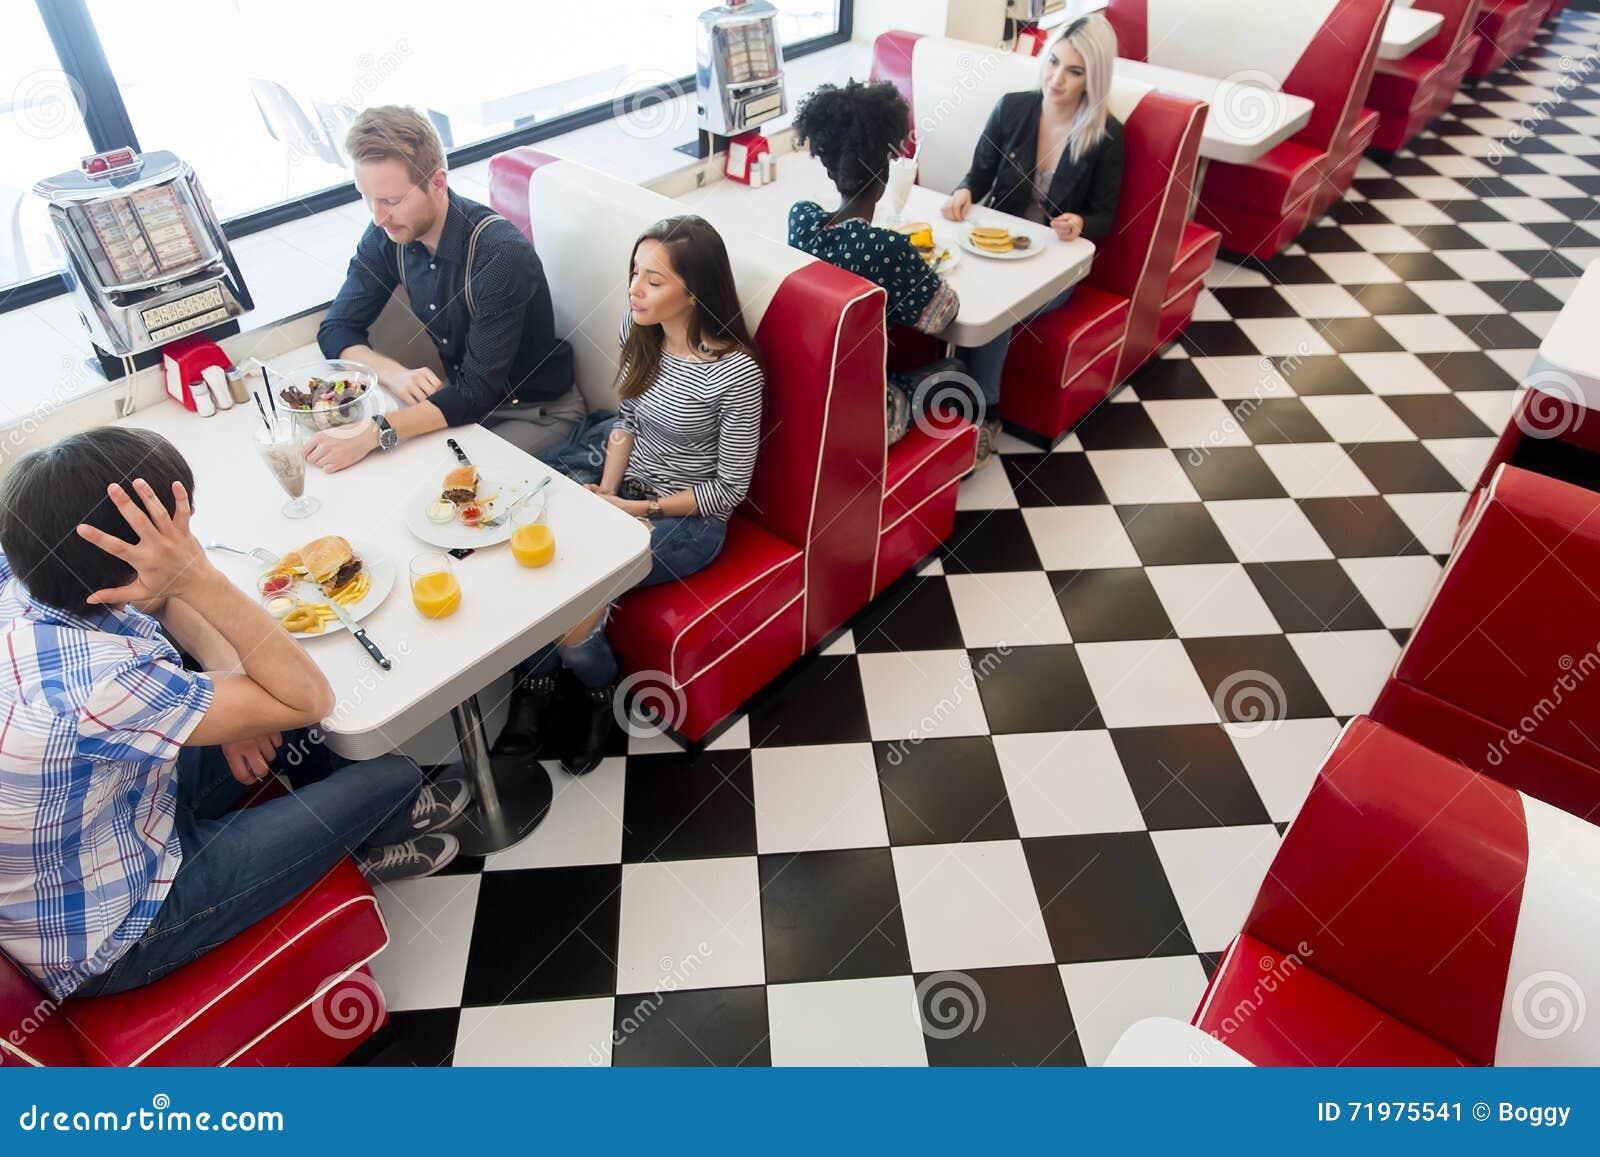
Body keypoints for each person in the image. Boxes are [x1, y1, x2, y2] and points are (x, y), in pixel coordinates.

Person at [0, 428, 471, 1001]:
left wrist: (228, 685)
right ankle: (366, 842)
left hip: (121, 814)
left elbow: (159, 600)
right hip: (119, 926)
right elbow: (309, 697)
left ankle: (341, 831)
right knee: (392, 775)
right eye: (176, 529)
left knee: (280, 716)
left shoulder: (32, 573)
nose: (186, 537)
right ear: (129, 552)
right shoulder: (100, 685)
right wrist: (201, 577)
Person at [494, 216, 763, 774]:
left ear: (694, 292)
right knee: (528, 551)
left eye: (653, 281)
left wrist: (636, 511)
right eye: (634, 273)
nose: (634, 290)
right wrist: (607, 491)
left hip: (688, 519)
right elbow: (628, 420)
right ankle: (538, 682)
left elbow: (729, 490)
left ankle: (598, 694)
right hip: (628, 491)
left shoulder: (735, 374)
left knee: (574, 616)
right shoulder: (639, 327)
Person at [308, 105, 583, 471]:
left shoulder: (500, 255)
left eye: (392, 200)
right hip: (464, 404)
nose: (378, 216)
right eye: (366, 197)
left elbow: (473, 392)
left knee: (434, 481)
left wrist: (374, 434)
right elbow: (336, 328)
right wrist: (392, 373)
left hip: (535, 413)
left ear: (437, 183)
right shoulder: (386, 234)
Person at [943, 13, 1124, 438]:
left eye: (1074, 72)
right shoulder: (1012, 108)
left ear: (1092, 79)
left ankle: (985, 414)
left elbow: (1106, 216)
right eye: (1054, 62)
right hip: (997, 248)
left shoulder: (1106, 136)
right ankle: (951, 393)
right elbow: (978, 177)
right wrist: (963, 192)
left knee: (999, 307)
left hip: (1056, 266)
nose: (1056, 79)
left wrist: (1080, 222)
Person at [787, 81, 968, 453]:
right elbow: (943, 315)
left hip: (805, 401)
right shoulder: (887, 248)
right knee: (957, 372)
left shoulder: (801, 220)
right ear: (885, 175)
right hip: (865, 420)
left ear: (829, 170)